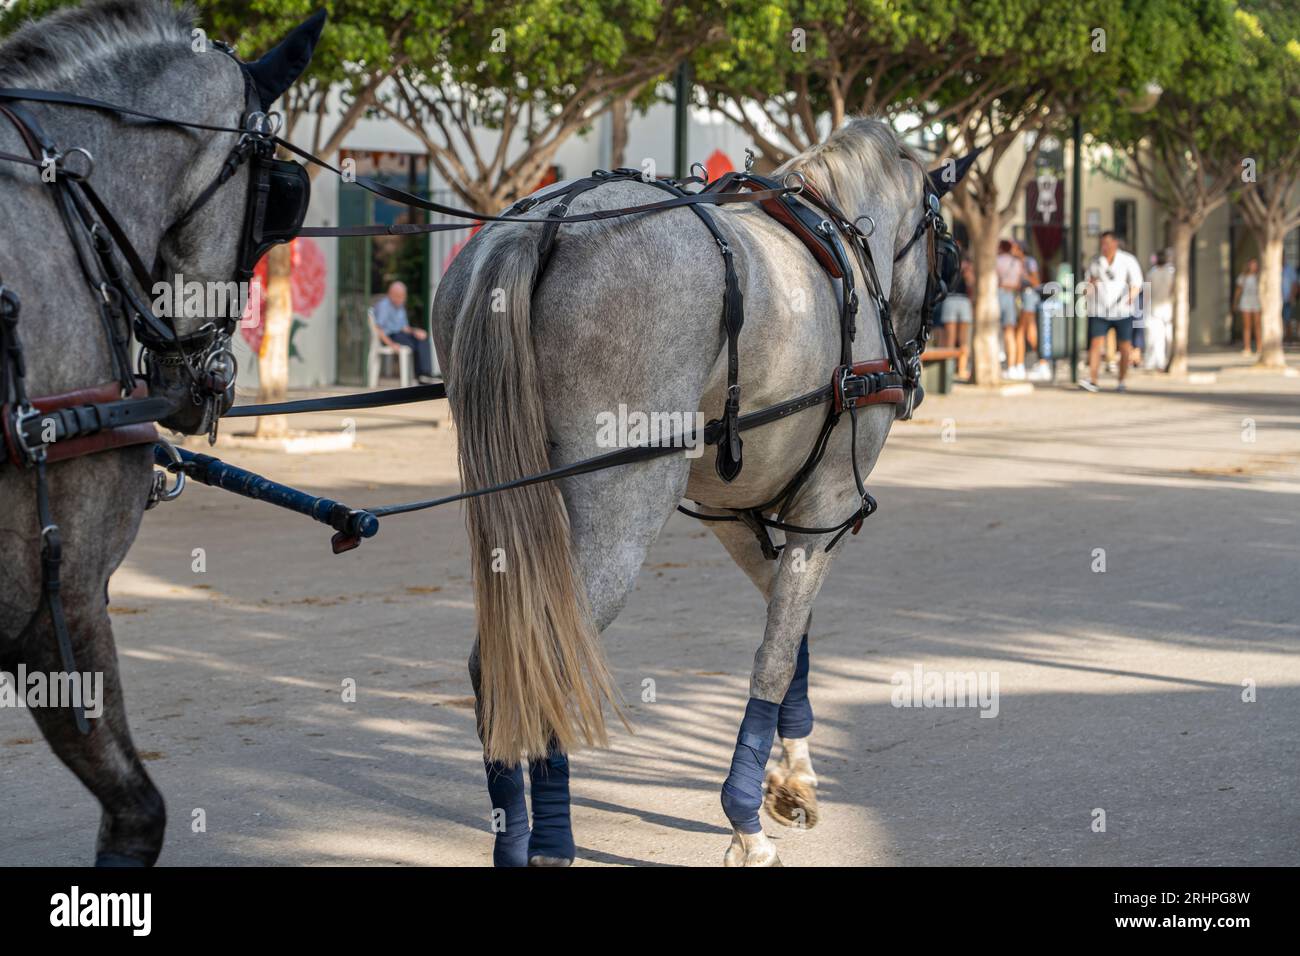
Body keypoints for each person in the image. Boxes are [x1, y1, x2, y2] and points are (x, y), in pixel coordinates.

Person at [1080, 231, 1144, 392]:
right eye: (1102, 243)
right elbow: (1087, 286)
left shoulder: (1127, 260)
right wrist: (1089, 286)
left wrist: (1131, 296)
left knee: (1124, 347)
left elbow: (1137, 282)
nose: (1104, 247)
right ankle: (1093, 380)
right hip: (1100, 310)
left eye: (1107, 243)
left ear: (1115, 243)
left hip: (1122, 311)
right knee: (1095, 344)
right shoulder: (1095, 262)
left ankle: (1122, 380)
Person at [372, 280, 436, 382]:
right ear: (390, 294)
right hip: (391, 336)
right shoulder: (384, 306)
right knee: (413, 344)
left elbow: (404, 328)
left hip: (401, 334)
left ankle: (425, 374)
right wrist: (391, 344)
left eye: (403, 296)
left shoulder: (400, 306)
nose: (402, 299)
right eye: (398, 296)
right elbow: (378, 329)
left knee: (423, 338)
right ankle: (419, 375)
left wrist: (415, 331)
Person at [939, 256, 974, 380]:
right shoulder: (948, 264)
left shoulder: (946, 262)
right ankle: (953, 370)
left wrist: (967, 273)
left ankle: (957, 369)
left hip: (958, 299)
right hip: (956, 299)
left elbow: (971, 284)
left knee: (959, 338)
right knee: (954, 338)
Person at [995, 239, 1023, 376]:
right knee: (1009, 332)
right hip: (1011, 295)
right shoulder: (1016, 263)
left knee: (994, 330)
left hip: (998, 294)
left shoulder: (997, 260)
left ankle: (996, 363)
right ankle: (1012, 366)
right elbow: (1018, 284)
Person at [1143, 248, 1174, 371]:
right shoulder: (1171, 272)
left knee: (1155, 337)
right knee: (1166, 337)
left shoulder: (1151, 273)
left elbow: (1146, 293)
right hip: (1167, 308)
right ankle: (1159, 362)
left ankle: (1156, 363)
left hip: (1155, 307)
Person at [1234, 258, 1262, 356]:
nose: (1254, 266)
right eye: (1252, 264)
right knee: (1247, 326)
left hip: (1257, 302)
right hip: (1245, 301)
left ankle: (1259, 348)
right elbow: (1238, 291)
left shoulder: (1259, 276)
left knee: (1257, 325)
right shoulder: (1243, 277)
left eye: (1256, 264)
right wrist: (1235, 303)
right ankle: (1247, 348)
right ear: (1249, 265)